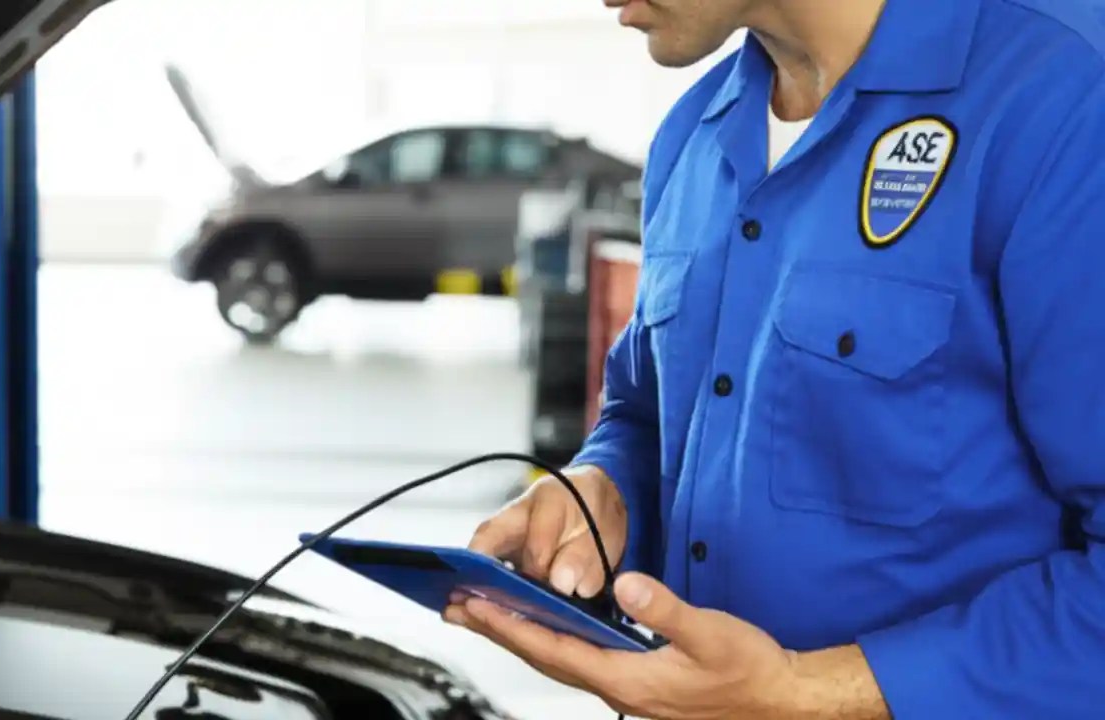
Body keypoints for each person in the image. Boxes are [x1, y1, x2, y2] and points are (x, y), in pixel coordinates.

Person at [443, 0, 1105, 717]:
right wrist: (603, 487)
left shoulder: (1064, 106)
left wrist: (806, 694)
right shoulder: (693, 135)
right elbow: (645, 414)